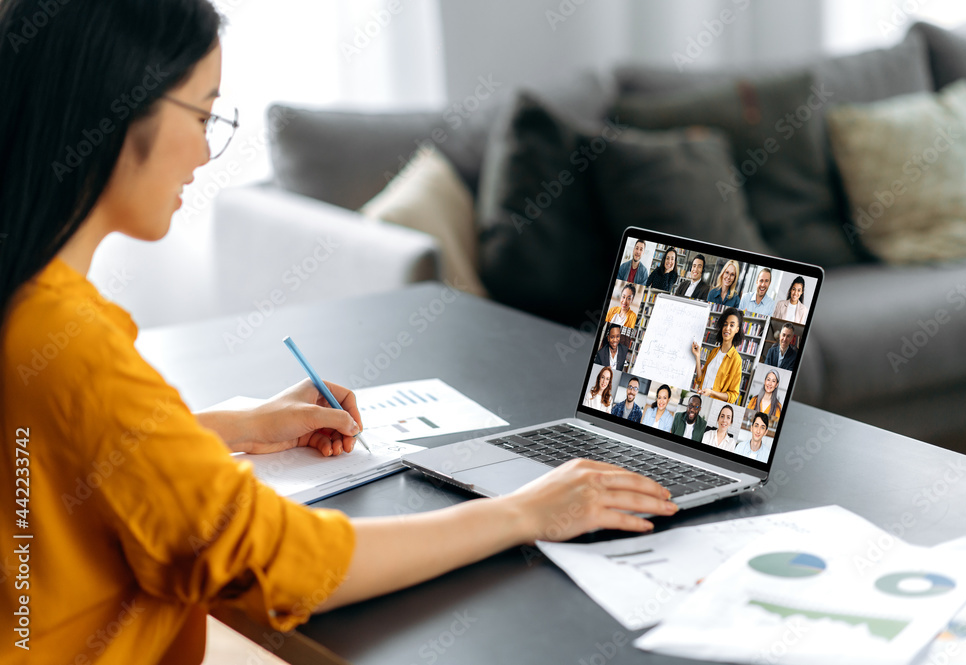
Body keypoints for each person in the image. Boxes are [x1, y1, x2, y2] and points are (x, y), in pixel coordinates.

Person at [0, 3, 679, 661]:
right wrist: (526, 513)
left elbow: (64, 454)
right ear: (114, 105)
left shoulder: (31, 311)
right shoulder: (73, 344)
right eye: (203, 114)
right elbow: (286, 562)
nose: (207, 152)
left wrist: (235, 428)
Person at [691, 307, 744, 403]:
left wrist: (711, 392)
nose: (727, 328)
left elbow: (733, 396)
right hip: (699, 398)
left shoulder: (736, 360)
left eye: (732, 325)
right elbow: (699, 380)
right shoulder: (714, 352)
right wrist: (698, 356)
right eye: (725, 324)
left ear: (737, 329)